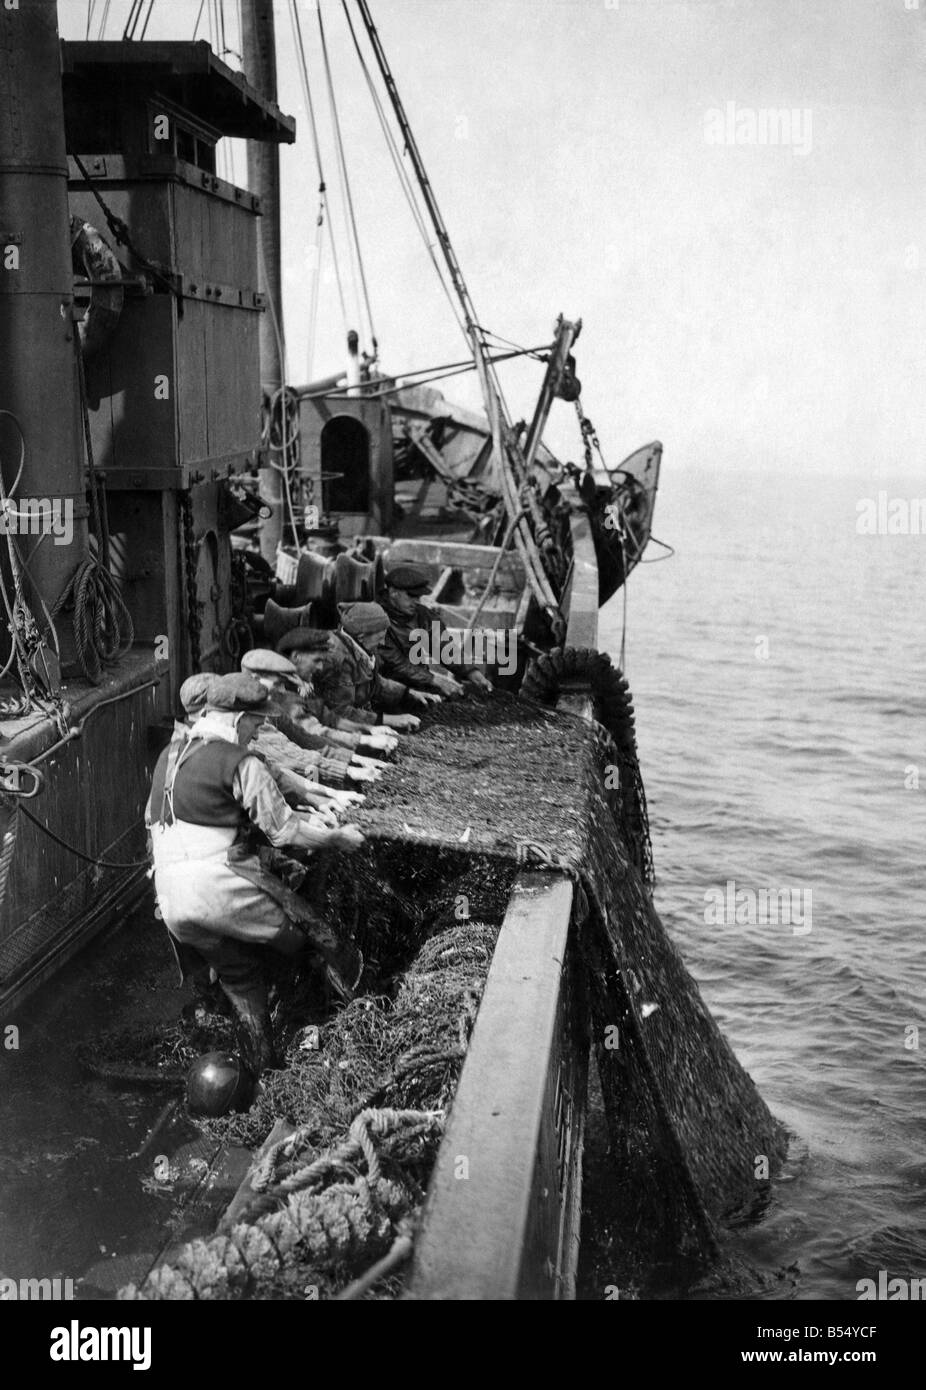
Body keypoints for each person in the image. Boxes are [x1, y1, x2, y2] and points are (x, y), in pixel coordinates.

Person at [146, 672, 365, 1077]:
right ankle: (358, 1022)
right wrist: (337, 838)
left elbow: (154, 828)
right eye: (255, 721)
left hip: (171, 900)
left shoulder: (170, 756)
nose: (259, 728)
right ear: (236, 719)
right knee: (314, 938)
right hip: (219, 889)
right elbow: (285, 830)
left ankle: (259, 1069)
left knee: (241, 976)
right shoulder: (238, 761)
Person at [278, 602, 435, 733]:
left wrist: (407, 693)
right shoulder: (337, 660)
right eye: (380, 638)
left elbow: (374, 682)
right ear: (362, 636)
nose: (382, 643)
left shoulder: (359, 648)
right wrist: (388, 720)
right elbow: (340, 712)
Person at [379, 562, 493, 695]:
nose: (417, 601)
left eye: (419, 596)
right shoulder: (376, 618)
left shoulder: (422, 615)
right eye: (411, 596)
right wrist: (435, 680)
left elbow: (445, 648)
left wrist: (471, 672)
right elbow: (395, 664)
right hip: (384, 687)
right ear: (393, 592)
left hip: (418, 681)